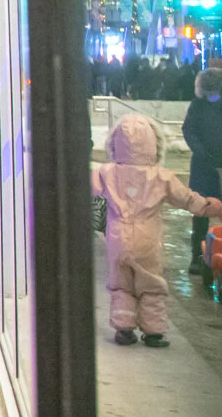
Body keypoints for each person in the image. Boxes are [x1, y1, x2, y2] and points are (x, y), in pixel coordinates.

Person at [92, 113, 222, 346]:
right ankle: (153, 332)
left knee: (121, 284)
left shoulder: (107, 172)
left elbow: (82, 187)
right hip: (148, 240)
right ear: (154, 144)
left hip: (118, 237)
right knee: (151, 284)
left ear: (115, 143)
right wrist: (208, 206)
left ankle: (124, 329)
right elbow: (186, 198)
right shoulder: (162, 177)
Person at [188, 70, 222, 282]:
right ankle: (198, 257)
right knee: (201, 210)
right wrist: (203, 153)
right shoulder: (197, 105)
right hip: (202, 167)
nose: (212, 96)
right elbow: (189, 130)